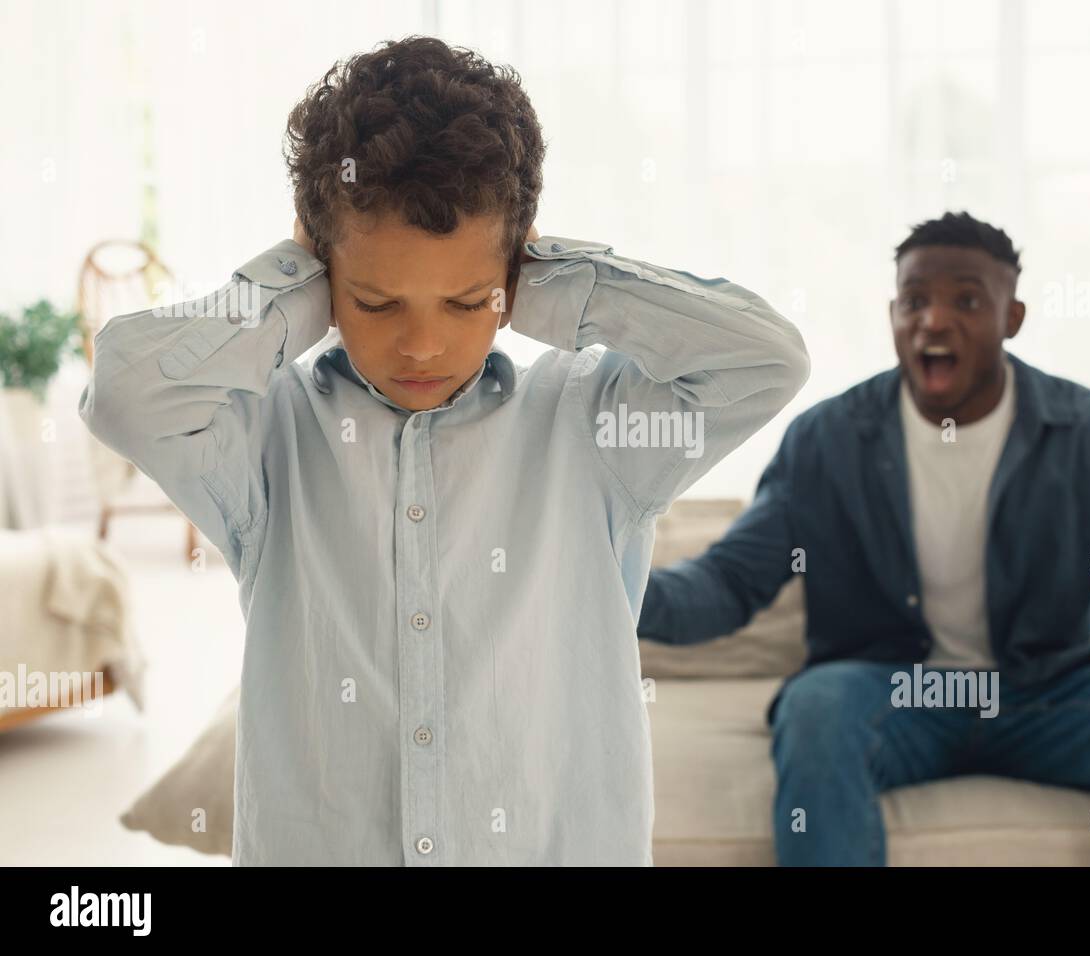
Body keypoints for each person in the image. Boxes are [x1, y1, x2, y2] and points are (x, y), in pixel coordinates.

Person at [79, 35, 809, 865]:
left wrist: (550, 280)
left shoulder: (593, 427)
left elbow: (765, 362)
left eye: (466, 300)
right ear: (317, 267)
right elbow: (126, 393)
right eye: (376, 301)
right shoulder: (263, 436)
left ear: (517, 263)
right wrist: (292, 292)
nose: (422, 345)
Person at [637, 211, 1090, 866]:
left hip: (1045, 694)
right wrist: (618, 585)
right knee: (816, 707)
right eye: (915, 301)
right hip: (889, 695)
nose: (934, 320)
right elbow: (728, 581)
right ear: (894, 314)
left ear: (1013, 318)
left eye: (968, 301)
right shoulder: (826, 440)